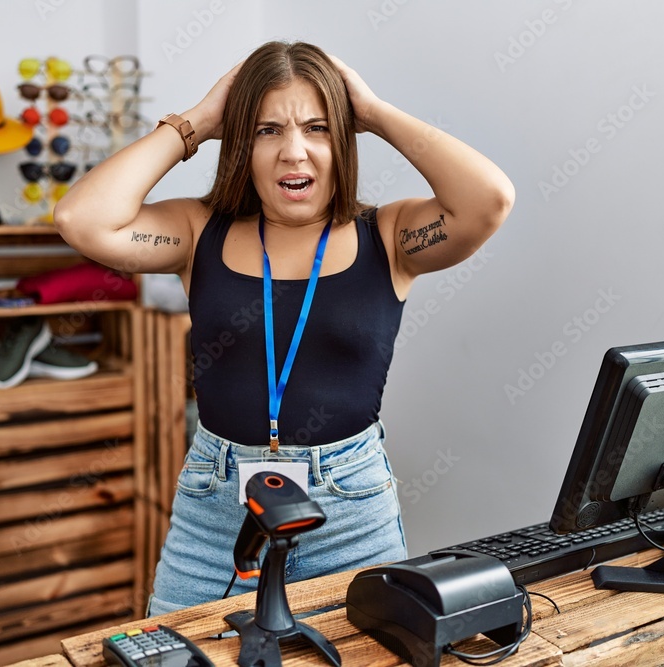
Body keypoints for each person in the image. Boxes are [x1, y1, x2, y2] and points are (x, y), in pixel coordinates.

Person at [54, 41, 515, 615]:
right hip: (216, 518)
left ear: (342, 139)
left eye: (318, 128)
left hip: (352, 515)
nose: (293, 152)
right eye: (267, 130)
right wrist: (195, 122)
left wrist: (372, 112)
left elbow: (489, 198)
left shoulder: (390, 236)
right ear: (241, 144)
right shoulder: (201, 233)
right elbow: (82, 219)